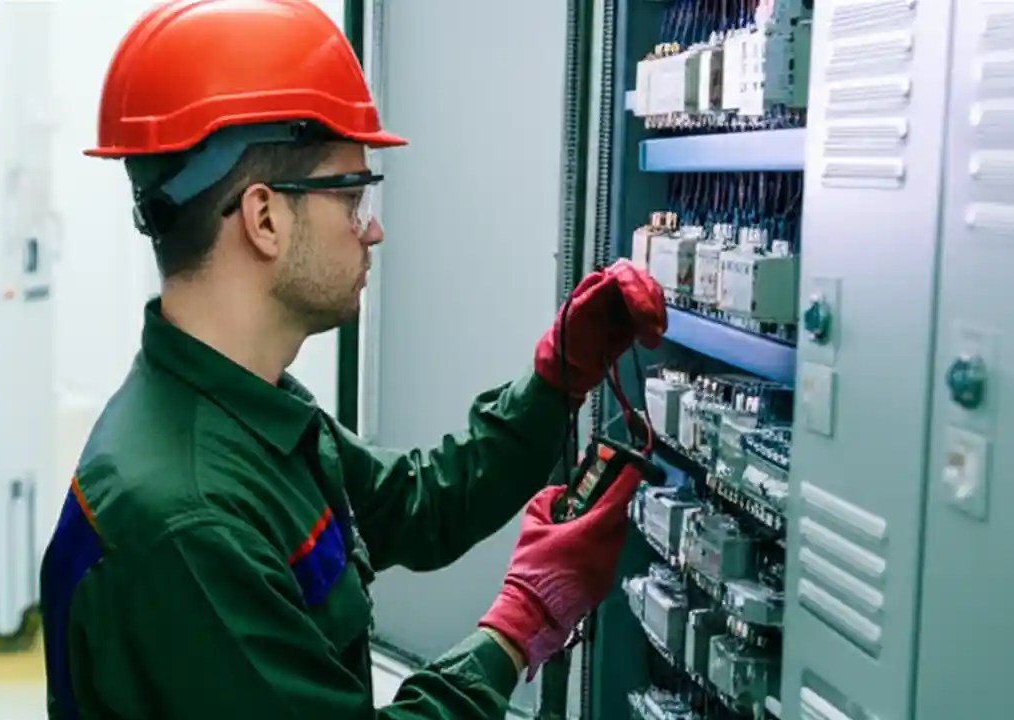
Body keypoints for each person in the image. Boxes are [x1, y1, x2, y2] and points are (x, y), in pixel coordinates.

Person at [39, 1, 667, 718]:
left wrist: (557, 379)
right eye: (351, 196)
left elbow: (418, 504)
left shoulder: (248, 415)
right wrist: (519, 626)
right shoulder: (189, 522)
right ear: (265, 218)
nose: (372, 231)